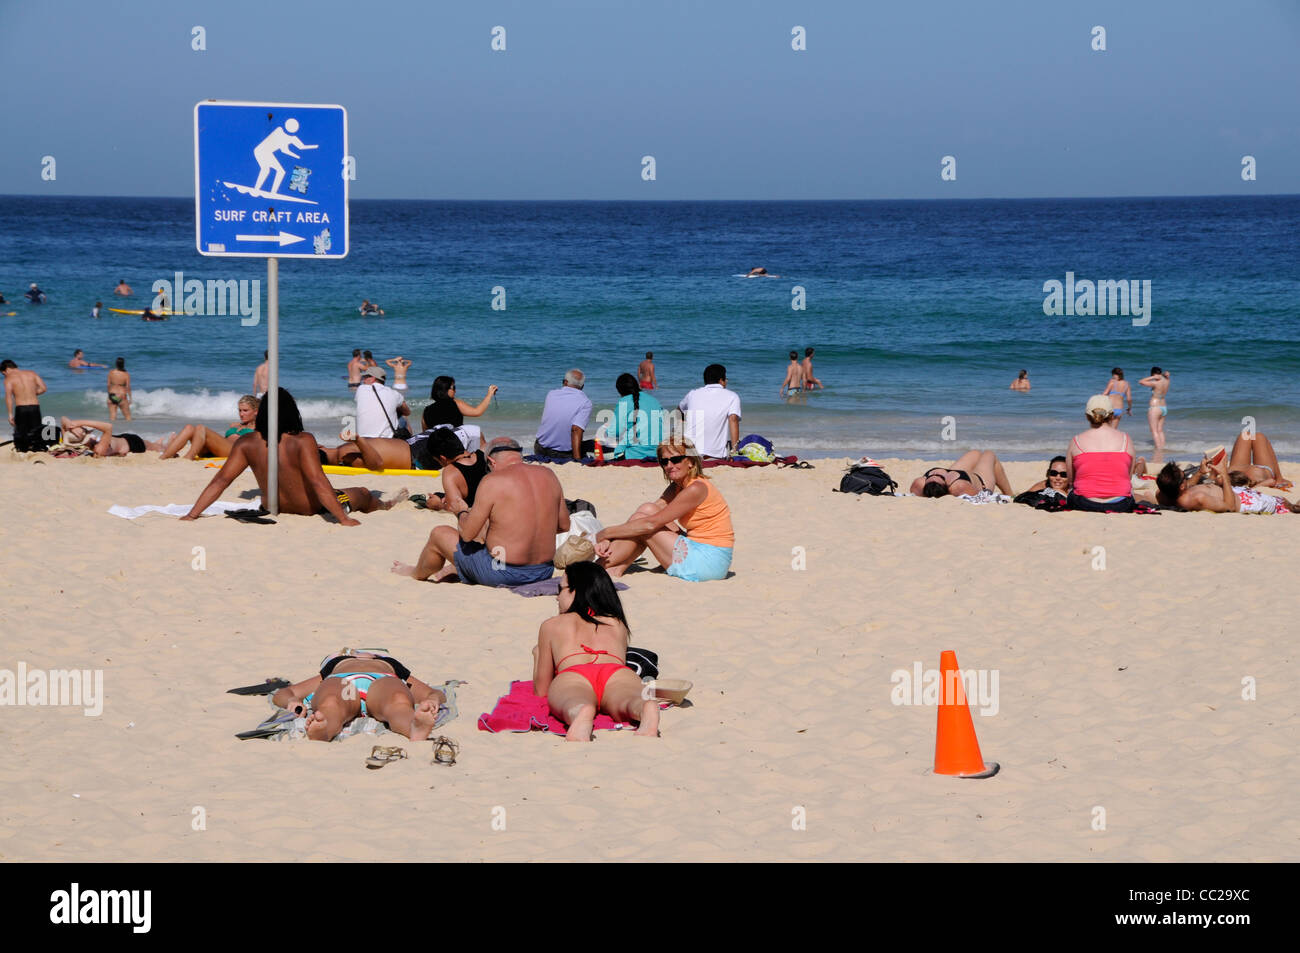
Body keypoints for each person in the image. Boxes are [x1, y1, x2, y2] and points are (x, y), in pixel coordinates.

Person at [182, 388, 405, 523]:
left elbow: (221, 480)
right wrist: (343, 519)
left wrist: (193, 514)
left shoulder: (246, 442)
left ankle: (382, 504)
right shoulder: (302, 440)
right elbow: (318, 482)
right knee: (363, 493)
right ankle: (384, 505)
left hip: (271, 506)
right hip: (311, 508)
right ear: (291, 412)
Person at [391, 438, 568, 585]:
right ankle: (457, 569)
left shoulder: (492, 481)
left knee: (439, 534)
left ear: (491, 462)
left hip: (504, 572)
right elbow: (563, 525)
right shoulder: (549, 475)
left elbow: (467, 535)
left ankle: (415, 573)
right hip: (543, 570)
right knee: (490, 528)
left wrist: (461, 512)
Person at [532, 562, 659, 742]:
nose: (557, 597)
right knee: (627, 699)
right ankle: (642, 708)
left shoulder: (552, 625)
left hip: (574, 674)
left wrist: (537, 655)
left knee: (572, 701)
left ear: (575, 591)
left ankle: (580, 712)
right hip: (616, 672)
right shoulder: (616, 623)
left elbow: (542, 689)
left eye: (561, 589)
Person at [595, 437, 734, 582]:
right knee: (646, 509)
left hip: (709, 561)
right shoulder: (679, 486)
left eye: (676, 459)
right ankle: (614, 569)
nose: (669, 465)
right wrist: (608, 538)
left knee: (643, 524)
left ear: (691, 461)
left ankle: (599, 567)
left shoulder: (696, 488)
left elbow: (650, 524)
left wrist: (605, 533)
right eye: (664, 461)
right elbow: (650, 511)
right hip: (701, 548)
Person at [271, 652, 446, 743]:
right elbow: (285, 693)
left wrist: (433, 700)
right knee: (331, 703)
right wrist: (291, 702)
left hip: (382, 681)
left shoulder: (391, 664)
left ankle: (413, 728)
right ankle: (324, 731)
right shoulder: (334, 666)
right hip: (342, 680)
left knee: (399, 700)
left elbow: (433, 693)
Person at [1065, 396, 1138, 512]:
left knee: (1071, 490)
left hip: (1085, 503)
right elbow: (1128, 477)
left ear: (1087, 416)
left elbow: (1071, 480)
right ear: (1111, 415)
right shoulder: (1126, 440)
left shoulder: (1076, 441)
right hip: (1121, 503)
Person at [1155, 458, 1300, 514]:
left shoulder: (1167, 493)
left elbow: (1186, 487)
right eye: (1185, 477)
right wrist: (1224, 475)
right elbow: (1229, 507)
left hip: (1238, 492)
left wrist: (1199, 472)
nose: (1187, 478)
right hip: (1243, 502)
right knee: (1283, 503)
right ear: (1181, 486)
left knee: (1281, 500)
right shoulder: (1198, 498)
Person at [160, 395, 260, 460]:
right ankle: (164, 456)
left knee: (201, 428)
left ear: (256, 411)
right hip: (213, 450)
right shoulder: (235, 425)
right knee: (189, 427)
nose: (241, 414)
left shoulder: (258, 428)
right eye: (239, 410)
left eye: (245, 411)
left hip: (233, 451)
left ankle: (188, 458)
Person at [678, 363, 741, 459]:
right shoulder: (732, 396)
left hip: (689, 453)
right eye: (726, 378)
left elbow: (678, 412)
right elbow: (733, 419)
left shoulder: (692, 394)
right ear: (721, 380)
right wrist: (734, 453)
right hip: (714, 455)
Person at [535, 369, 599, 460]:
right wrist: (577, 459)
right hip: (561, 453)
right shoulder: (585, 402)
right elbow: (576, 429)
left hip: (539, 448)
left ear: (565, 382)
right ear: (582, 386)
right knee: (591, 444)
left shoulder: (551, 394)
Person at [908, 450, 1014, 498]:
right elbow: (980, 496)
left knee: (975, 453)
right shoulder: (959, 486)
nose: (935, 473)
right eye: (939, 476)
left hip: (959, 475)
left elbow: (915, 491)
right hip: (981, 482)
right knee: (989, 454)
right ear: (946, 484)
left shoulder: (920, 483)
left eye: (931, 475)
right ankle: (1009, 493)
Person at [608, 373, 665, 460]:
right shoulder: (654, 400)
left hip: (635, 454)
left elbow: (615, 432)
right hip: (657, 452)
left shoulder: (624, 402)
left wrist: (606, 431)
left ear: (620, 391)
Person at [2, 359, 52, 452]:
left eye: (3, 373)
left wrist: (10, 414)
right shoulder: (32, 373)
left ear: (7, 370)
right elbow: (43, 388)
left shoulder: (8, 379)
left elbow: (9, 397)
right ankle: (36, 450)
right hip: (34, 407)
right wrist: (32, 393)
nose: (5, 375)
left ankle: (23, 450)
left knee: (21, 433)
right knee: (36, 431)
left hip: (21, 408)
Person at [354, 364, 410, 439]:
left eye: (365, 377)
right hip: (386, 439)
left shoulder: (360, 389)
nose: (363, 380)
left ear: (373, 378)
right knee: (403, 418)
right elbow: (407, 412)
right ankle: (408, 445)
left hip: (363, 439)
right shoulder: (394, 393)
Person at [57, 418, 164, 456]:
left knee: (152, 444)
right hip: (132, 444)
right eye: (86, 432)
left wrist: (71, 425)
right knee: (154, 447)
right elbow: (108, 427)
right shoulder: (99, 449)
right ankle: (164, 445)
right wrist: (81, 422)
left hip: (120, 438)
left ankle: (159, 443)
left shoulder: (77, 445)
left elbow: (63, 419)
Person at [1226, 430, 1292, 490]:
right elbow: (1271, 481)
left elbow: (1217, 480)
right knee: (1259, 436)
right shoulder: (1255, 480)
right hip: (1256, 472)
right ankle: (1279, 478)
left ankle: (1279, 478)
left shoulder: (1228, 476)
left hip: (1236, 472)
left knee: (1245, 435)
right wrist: (1253, 489)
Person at [430, 375, 497, 418]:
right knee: (478, 432)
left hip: (435, 439)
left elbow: (426, 432)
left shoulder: (428, 410)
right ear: (445, 389)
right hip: (451, 438)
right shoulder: (455, 404)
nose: (455, 391)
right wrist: (489, 394)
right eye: (453, 387)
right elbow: (477, 412)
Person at [1138, 367, 1171, 451]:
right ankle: (1162, 447)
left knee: (1154, 431)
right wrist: (1164, 375)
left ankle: (1159, 450)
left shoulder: (1155, 383)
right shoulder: (1167, 381)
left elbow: (1140, 381)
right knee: (1160, 430)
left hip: (1155, 407)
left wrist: (1153, 377)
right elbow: (1167, 376)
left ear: (1153, 374)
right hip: (1164, 407)